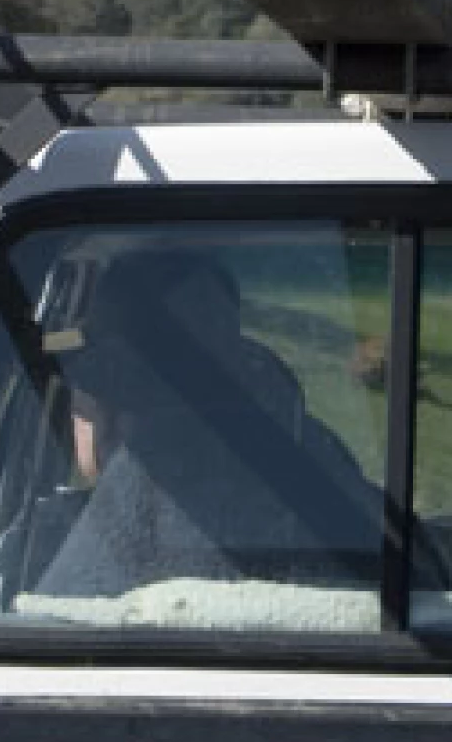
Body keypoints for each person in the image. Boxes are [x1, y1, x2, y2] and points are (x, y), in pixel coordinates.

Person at [34, 249, 378, 600]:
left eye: (84, 386)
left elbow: (48, 633)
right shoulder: (317, 456)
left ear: (110, 418)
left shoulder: (131, 505)